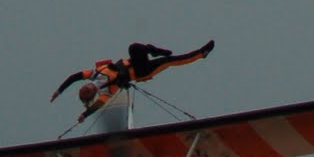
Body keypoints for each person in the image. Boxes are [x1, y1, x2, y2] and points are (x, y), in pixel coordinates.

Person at [51, 40, 214, 121]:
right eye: (87, 92)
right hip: (142, 71)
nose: (87, 87)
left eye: (84, 87)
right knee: (170, 61)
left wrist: (59, 90)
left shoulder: (94, 74)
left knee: (134, 47)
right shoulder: (106, 91)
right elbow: (97, 106)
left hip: (135, 61)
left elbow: (73, 77)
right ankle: (201, 53)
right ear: (91, 94)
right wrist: (84, 115)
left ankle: (154, 51)